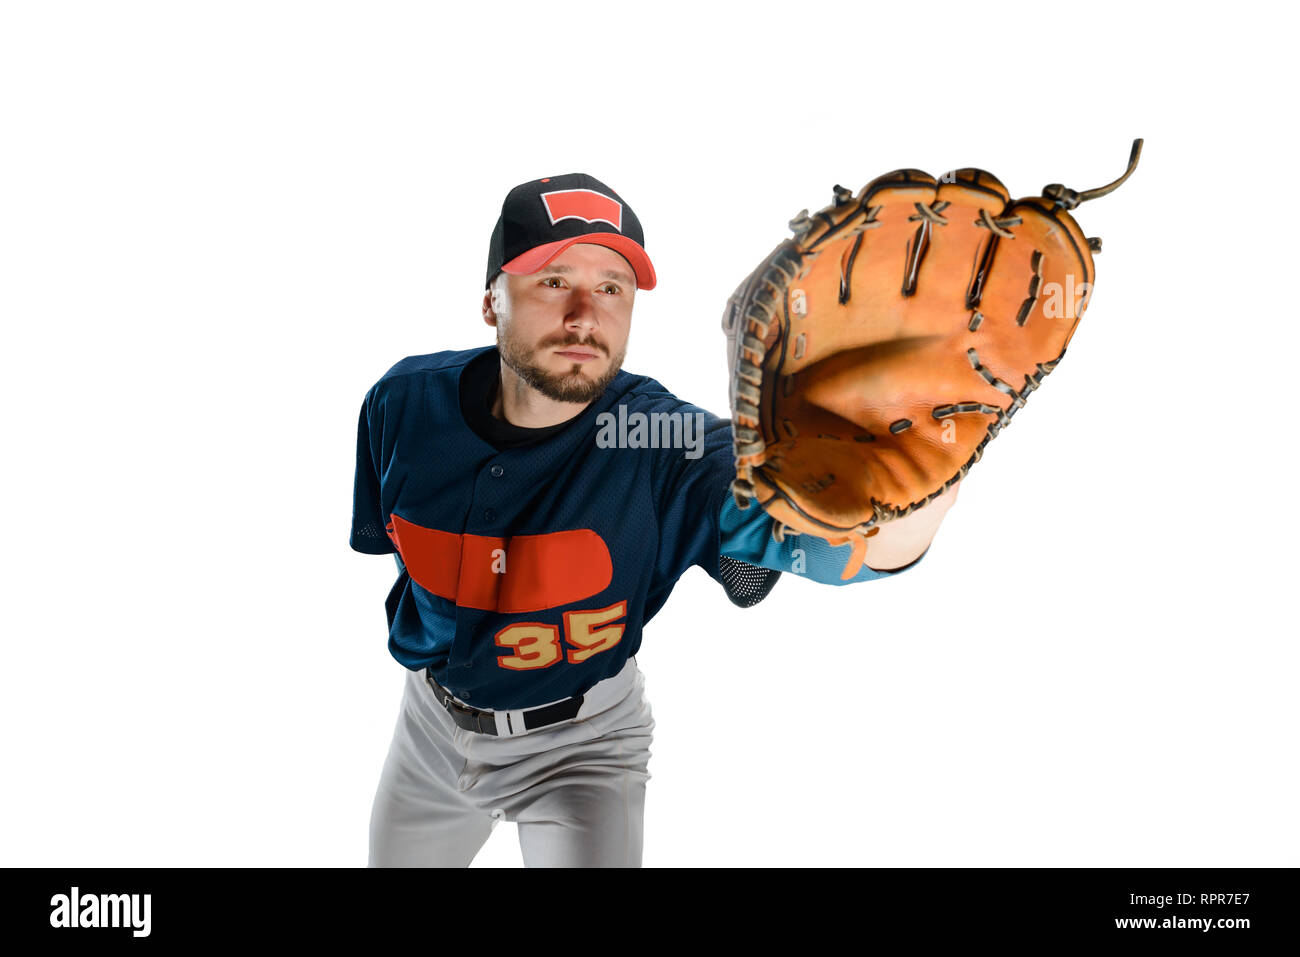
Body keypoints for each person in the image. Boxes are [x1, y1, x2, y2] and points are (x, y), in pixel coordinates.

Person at [350, 172, 958, 867]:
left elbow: (839, 544)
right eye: (553, 280)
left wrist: (925, 468)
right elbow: (390, 550)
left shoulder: (660, 441)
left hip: (581, 747)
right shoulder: (400, 405)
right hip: (429, 729)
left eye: (612, 287)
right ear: (492, 301)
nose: (585, 314)